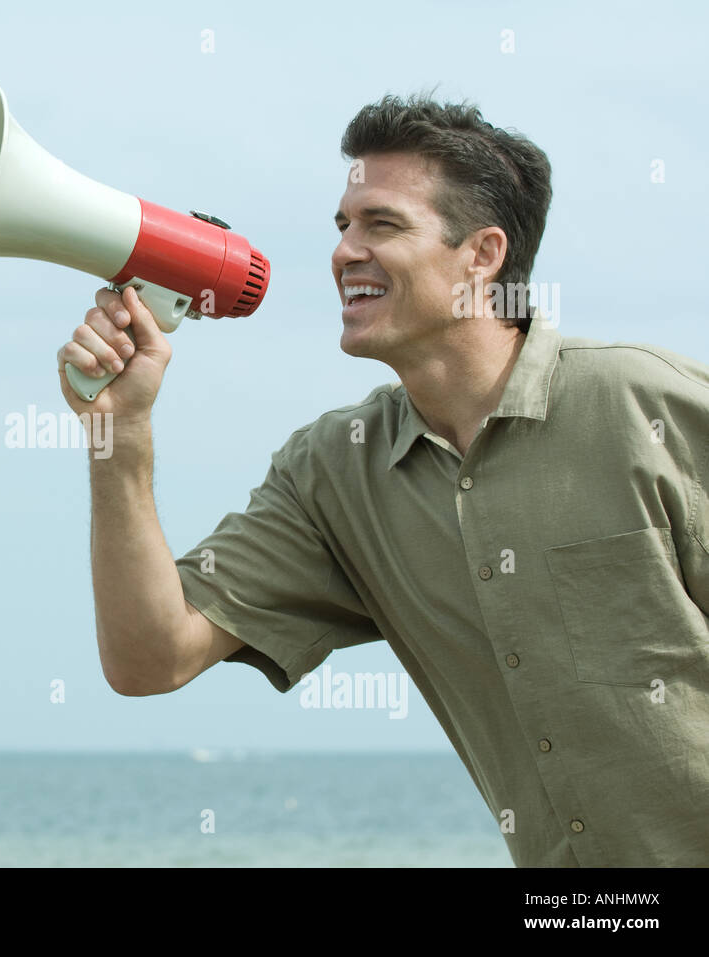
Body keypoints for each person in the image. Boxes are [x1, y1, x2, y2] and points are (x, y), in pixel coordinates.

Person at [56, 93, 709, 867]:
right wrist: (118, 431)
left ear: (482, 254)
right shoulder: (335, 474)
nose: (344, 251)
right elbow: (150, 657)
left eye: (383, 224)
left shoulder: (647, 404)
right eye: (343, 226)